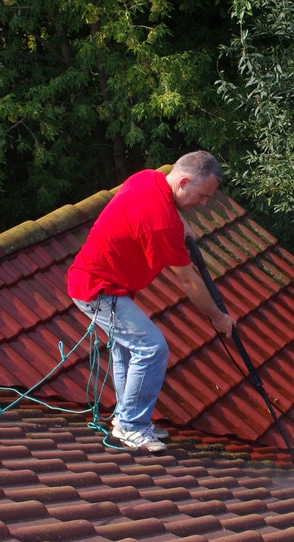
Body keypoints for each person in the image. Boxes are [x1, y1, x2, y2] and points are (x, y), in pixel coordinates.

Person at [67, 151, 235, 452]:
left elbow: (159, 209)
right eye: (201, 196)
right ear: (183, 181)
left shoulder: (148, 178)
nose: (204, 204)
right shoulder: (162, 225)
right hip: (96, 289)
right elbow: (189, 281)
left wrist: (181, 220)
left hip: (106, 283)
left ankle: (126, 419)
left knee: (127, 349)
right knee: (151, 347)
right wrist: (218, 317)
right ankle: (132, 425)